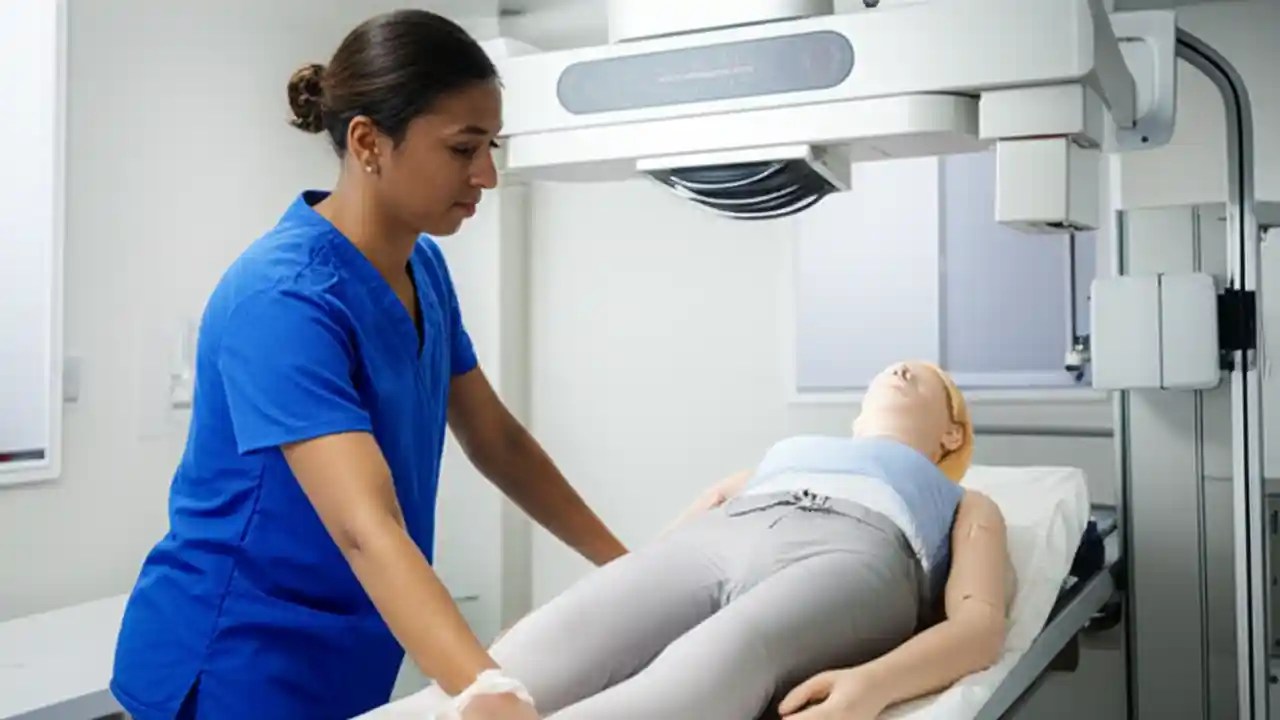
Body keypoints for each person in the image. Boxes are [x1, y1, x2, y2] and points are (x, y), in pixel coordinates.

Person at [109, 10, 625, 720]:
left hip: (349, 650)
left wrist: (628, 569)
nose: (487, 175)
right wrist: (487, 691)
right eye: (462, 148)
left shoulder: (423, 267)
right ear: (368, 142)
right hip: (237, 658)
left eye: (491, 146)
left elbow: (496, 441)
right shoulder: (283, 298)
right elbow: (364, 524)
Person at [453, 360, 1013, 719]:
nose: (899, 368)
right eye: (893, 368)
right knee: (533, 653)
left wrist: (872, 685)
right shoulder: (782, 457)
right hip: (726, 532)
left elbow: (979, 626)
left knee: (722, 660)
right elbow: (649, 562)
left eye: (921, 374)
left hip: (855, 554)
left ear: (952, 432)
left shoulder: (966, 501)